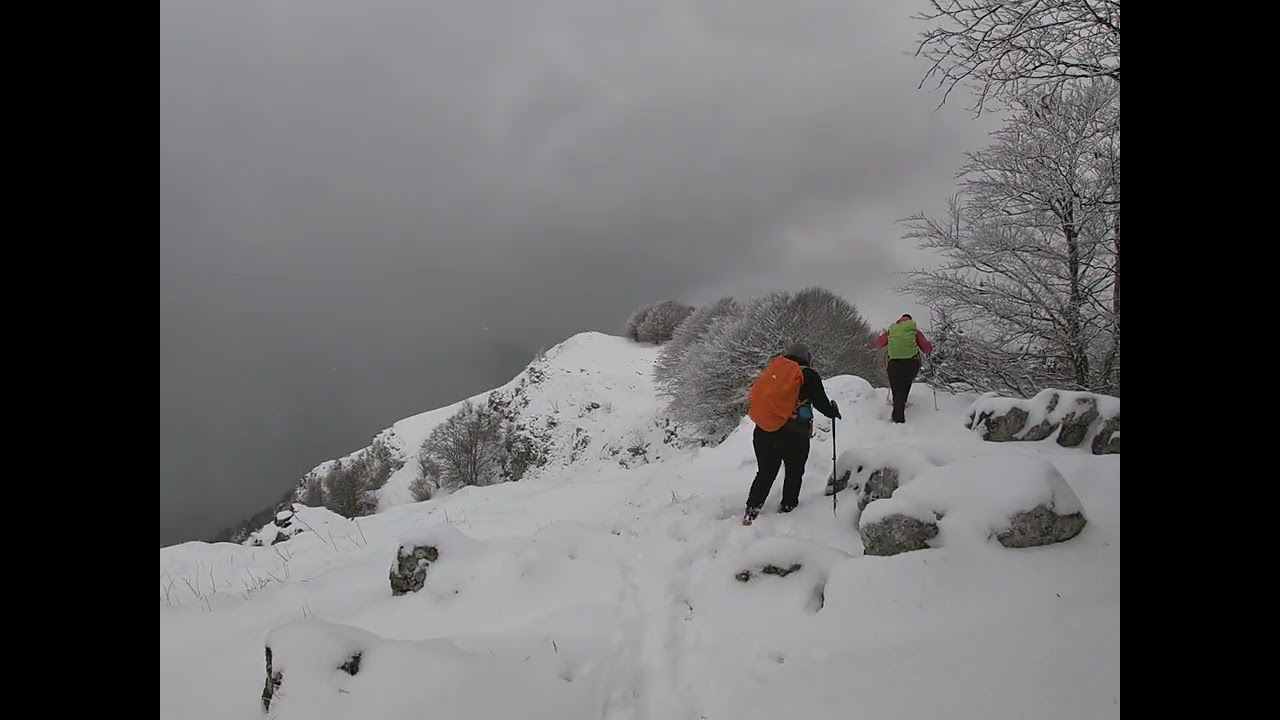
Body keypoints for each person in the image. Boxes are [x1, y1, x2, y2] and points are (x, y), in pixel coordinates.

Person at [742, 343, 841, 524]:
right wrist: (833, 412)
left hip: (763, 431)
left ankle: (751, 511)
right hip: (794, 433)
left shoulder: (773, 371)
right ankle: (788, 508)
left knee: (765, 472)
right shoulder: (808, 375)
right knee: (794, 472)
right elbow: (821, 402)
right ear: (807, 358)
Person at [874, 314, 933, 423]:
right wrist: (931, 346)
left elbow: (879, 343)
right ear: (910, 321)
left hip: (894, 364)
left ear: (899, 321)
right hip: (911, 363)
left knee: (897, 388)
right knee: (905, 384)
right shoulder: (915, 331)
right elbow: (926, 348)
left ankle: (898, 410)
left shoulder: (891, 331)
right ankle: (899, 414)